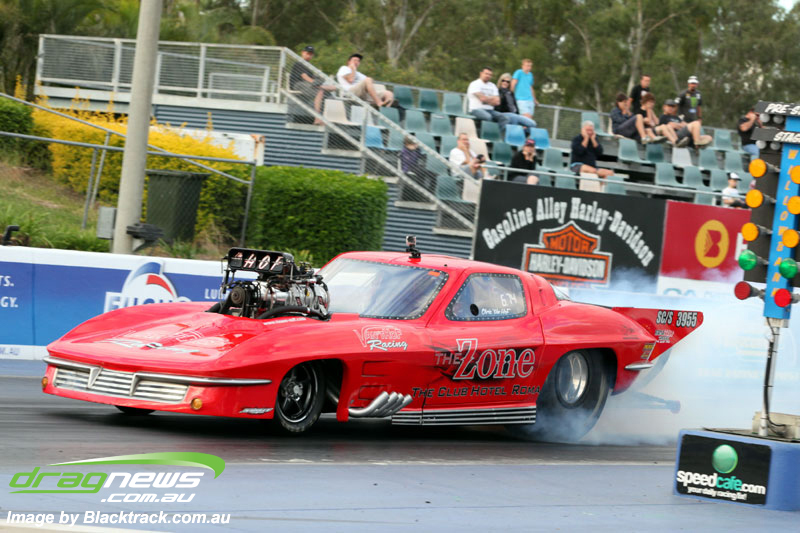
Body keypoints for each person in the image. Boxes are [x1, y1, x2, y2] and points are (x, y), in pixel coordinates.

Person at [289, 45, 336, 125]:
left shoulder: (309, 66)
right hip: (297, 84)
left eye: (311, 54)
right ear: (303, 53)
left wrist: (320, 82)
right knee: (320, 91)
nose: (309, 55)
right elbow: (305, 77)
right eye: (307, 53)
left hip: (308, 86)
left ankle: (327, 119)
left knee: (329, 94)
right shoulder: (299, 63)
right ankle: (317, 118)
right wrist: (318, 85)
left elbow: (313, 78)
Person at [467, 67, 509, 133]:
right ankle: (484, 136)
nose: (488, 76)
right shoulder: (474, 84)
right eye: (486, 74)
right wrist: (492, 98)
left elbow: (497, 102)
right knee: (488, 117)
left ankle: (496, 135)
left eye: (490, 74)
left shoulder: (492, 86)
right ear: (481, 73)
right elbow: (482, 99)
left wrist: (486, 98)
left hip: (490, 110)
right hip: (476, 109)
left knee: (504, 118)